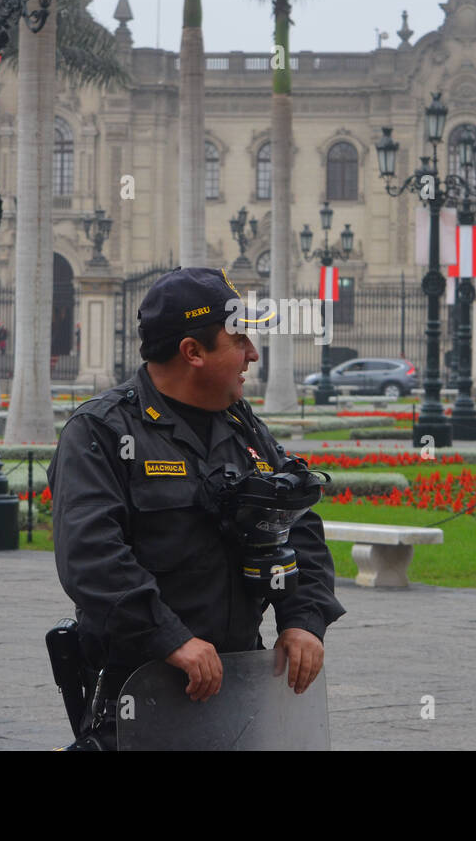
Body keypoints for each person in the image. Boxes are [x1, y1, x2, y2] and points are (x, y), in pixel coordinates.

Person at [48, 267, 345, 751]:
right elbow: (91, 556)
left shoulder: (244, 428)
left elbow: (298, 523)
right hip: (139, 686)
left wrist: (303, 619)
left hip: (239, 686)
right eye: (239, 339)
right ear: (193, 352)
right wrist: (171, 639)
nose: (252, 353)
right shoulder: (101, 432)